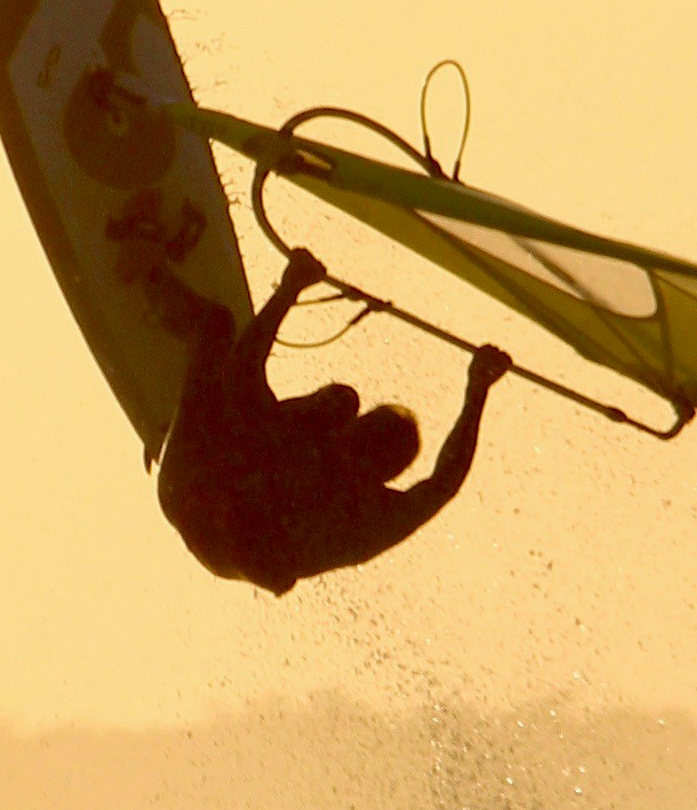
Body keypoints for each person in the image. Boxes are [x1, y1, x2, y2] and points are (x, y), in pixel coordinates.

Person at [124, 236, 506, 594]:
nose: (344, 441)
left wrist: (291, 288)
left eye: (353, 440)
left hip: (187, 488)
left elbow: (242, 366)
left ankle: (141, 266)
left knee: (216, 329)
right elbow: (444, 483)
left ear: (375, 475)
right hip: (214, 524)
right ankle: (194, 423)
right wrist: (477, 389)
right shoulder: (374, 516)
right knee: (339, 401)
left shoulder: (328, 483)